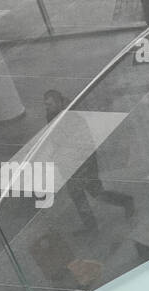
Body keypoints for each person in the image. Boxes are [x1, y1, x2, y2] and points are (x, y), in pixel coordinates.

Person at [43, 89, 135, 233]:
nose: (47, 107)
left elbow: (85, 143)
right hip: (68, 164)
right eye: (46, 105)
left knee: (96, 192)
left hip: (83, 163)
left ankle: (126, 201)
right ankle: (90, 226)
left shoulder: (73, 118)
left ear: (59, 103)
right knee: (77, 196)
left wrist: (81, 163)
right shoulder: (51, 116)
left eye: (49, 104)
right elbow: (56, 139)